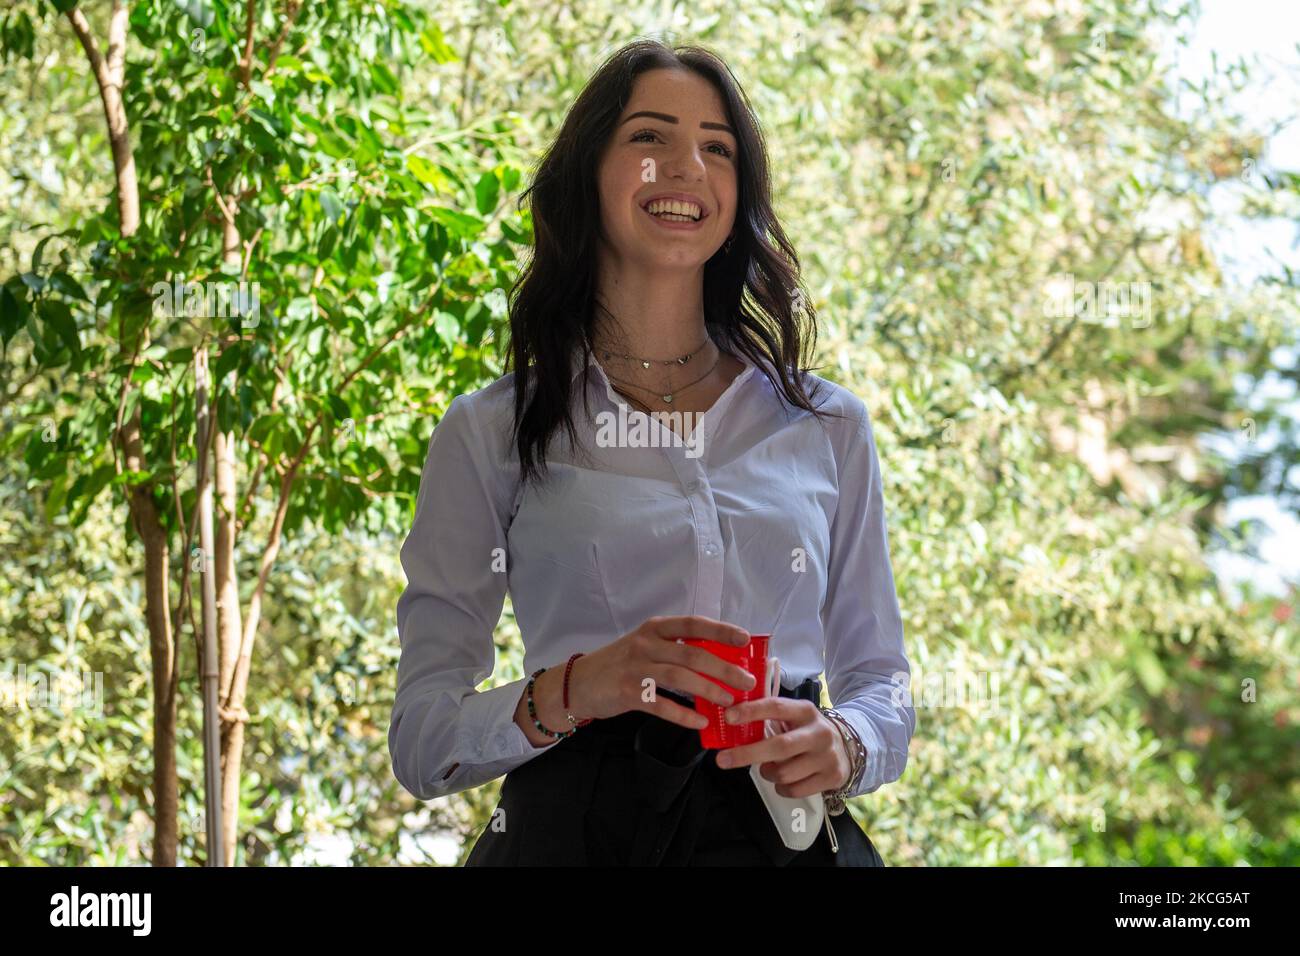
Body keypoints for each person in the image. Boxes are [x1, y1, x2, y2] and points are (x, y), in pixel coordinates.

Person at [388, 39, 915, 866]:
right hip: (574, 841)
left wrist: (847, 744)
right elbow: (422, 742)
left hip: (787, 842)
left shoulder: (827, 425)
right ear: (588, 173)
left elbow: (881, 678)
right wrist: (576, 689)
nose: (686, 168)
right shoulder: (490, 431)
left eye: (717, 148)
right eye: (649, 138)